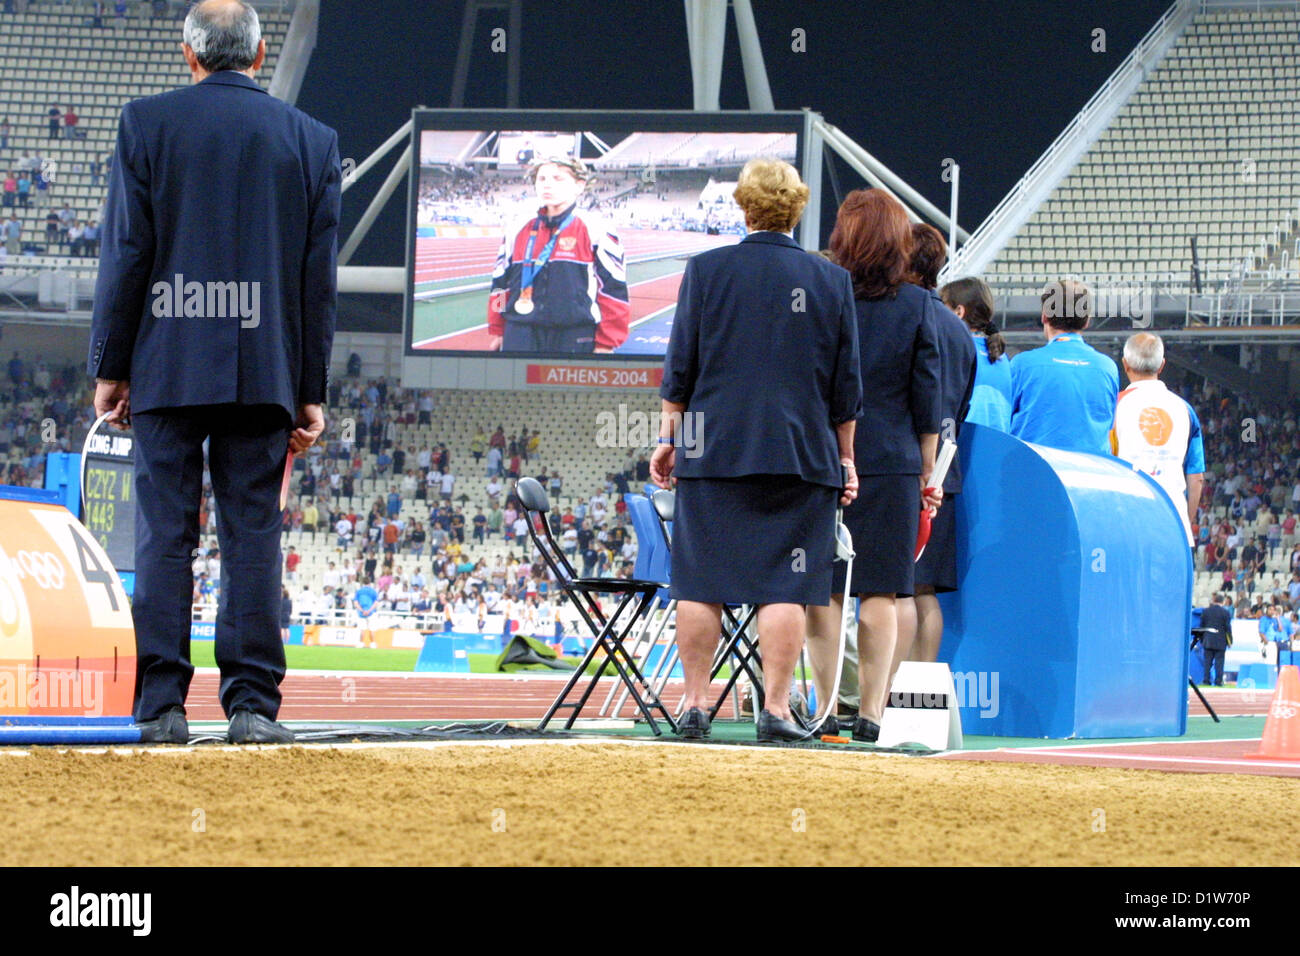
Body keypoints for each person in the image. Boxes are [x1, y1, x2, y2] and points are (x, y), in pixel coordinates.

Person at [87, 0, 341, 745]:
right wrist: (311, 390)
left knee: (165, 534)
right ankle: (253, 707)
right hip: (265, 370)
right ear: (259, 58)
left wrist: (112, 365)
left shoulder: (145, 124)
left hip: (166, 364)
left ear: (189, 54)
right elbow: (315, 283)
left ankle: (162, 707)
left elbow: (128, 254)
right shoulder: (313, 141)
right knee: (252, 534)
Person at [651, 157, 861, 743]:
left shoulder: (707, 271)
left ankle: (694, 707)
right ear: (798, 209)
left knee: (700, 581)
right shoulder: (830, 281)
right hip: (800, 455)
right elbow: (845, 390)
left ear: (743, 206)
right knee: (786, 584)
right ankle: (774, 710)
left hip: (714, 451)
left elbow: (679, 372)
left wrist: (670, 442)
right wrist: (846, 460)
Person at [804, 188, 941, 743]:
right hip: (894, 463)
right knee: (882, 592)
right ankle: (873, 715)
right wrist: (927, 473)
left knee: (826, 592)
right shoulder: (919, 306)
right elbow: (927, 398)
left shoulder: (820, 294)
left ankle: (827, 709)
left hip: (826, 462)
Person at [896, 224, 975, 674]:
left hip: (899, 467)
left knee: (887, 591)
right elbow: (961, 406)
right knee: (923, 591)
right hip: (945, 471)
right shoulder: (959, 329)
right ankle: (920, 691)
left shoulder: (898, 314)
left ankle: (876, 700)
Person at [486, 155, 630, 353]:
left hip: (574, 333)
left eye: (558, 179)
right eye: (541, 179)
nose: (547, 185)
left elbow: (613, 290)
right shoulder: (517, 227)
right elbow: (499, 286)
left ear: (579, 186)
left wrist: (606, 342)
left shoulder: (597, 228)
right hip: (520, 332)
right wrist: (497, 327)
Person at [1110, 332, 1205, 548]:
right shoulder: (1185, 410)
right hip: (1173, 527)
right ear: (1162, 366)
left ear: (1125, 365)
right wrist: (1186, 524)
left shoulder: (1113, 406)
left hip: (1127, 526)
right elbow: (1196, 478)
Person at [1009, 279, 1119, 454]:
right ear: (1087, 321)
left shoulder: (1022, 365)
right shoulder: (1107, 368)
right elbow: (1109, 425)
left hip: (1035, 474)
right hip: (1091, 476)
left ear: (1044, 316)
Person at [940, 276, 1011, 431]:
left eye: (942, 308)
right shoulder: (1001, 357)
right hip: (996, 449)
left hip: (963, 448)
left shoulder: (955, 352)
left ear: (959, 312)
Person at [1198, 592, 1232, 686]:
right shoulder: (1225, 612)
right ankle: (1218, 681)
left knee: (1207, 662)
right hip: (1221, 641)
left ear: (1214, 601)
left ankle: (1206, 680)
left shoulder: (1206, 611)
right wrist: (1230, 641)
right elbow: (1228, 628)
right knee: (1219, 663)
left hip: (1208, 640)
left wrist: (1201, 639)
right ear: (1223, 602)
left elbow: (1202, 626)